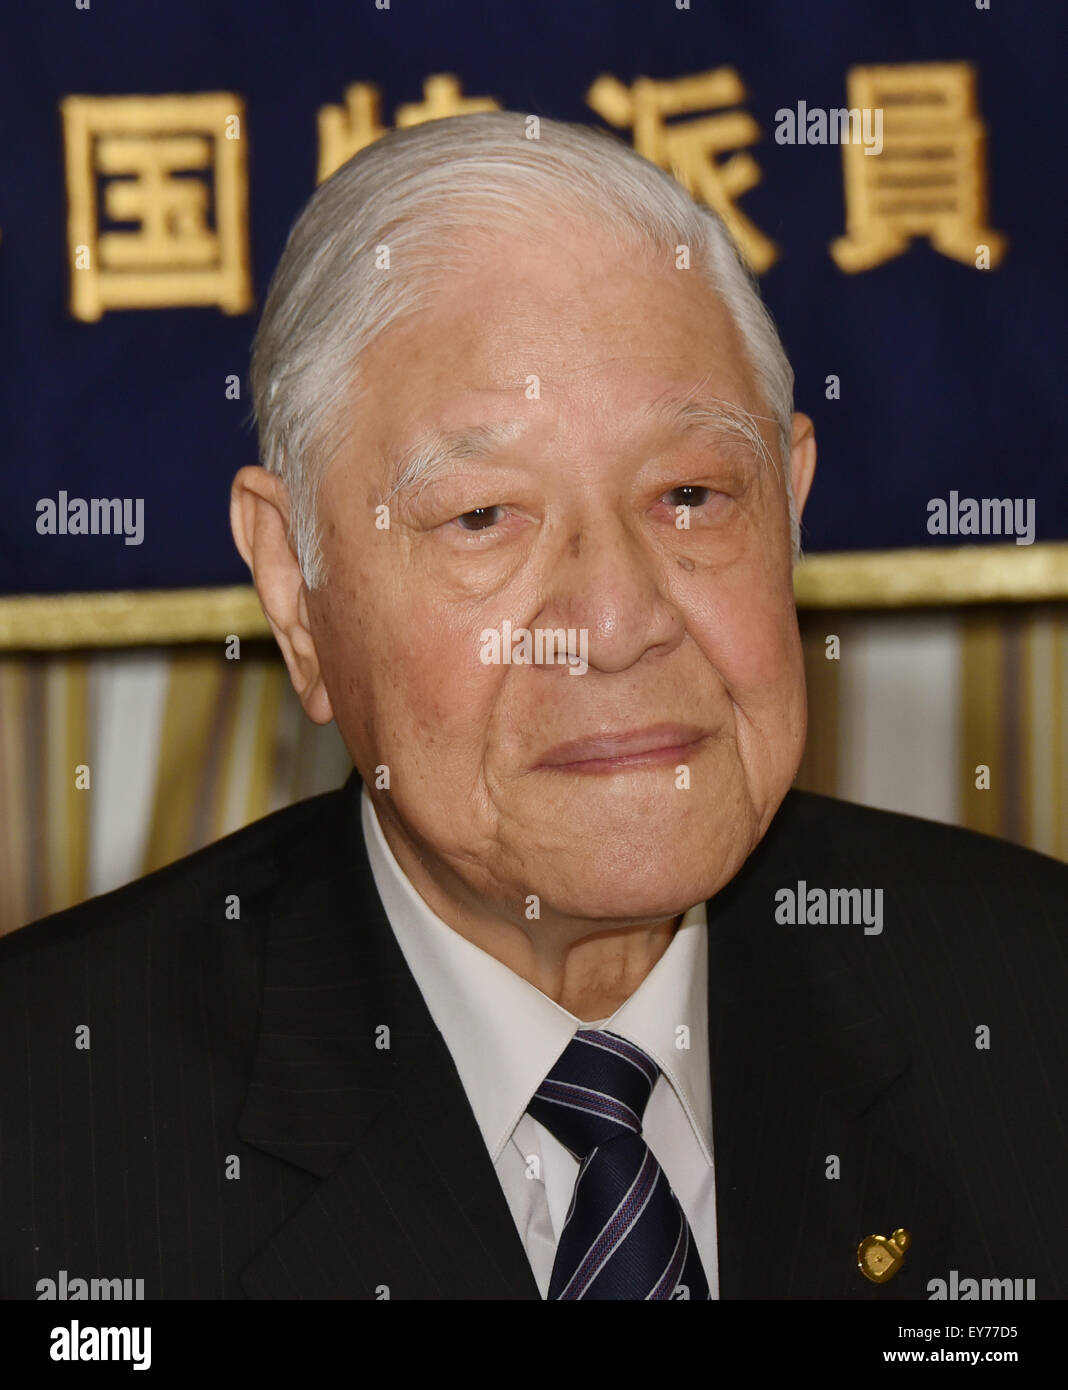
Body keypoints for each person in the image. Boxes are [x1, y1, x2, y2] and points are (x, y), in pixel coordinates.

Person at [2, 112, 1065, 1301]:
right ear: (295, 592)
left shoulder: (1031, 1017)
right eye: (483, 517)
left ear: (793, 509)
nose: (616, 623)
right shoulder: (49, 1129)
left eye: (693, 494)